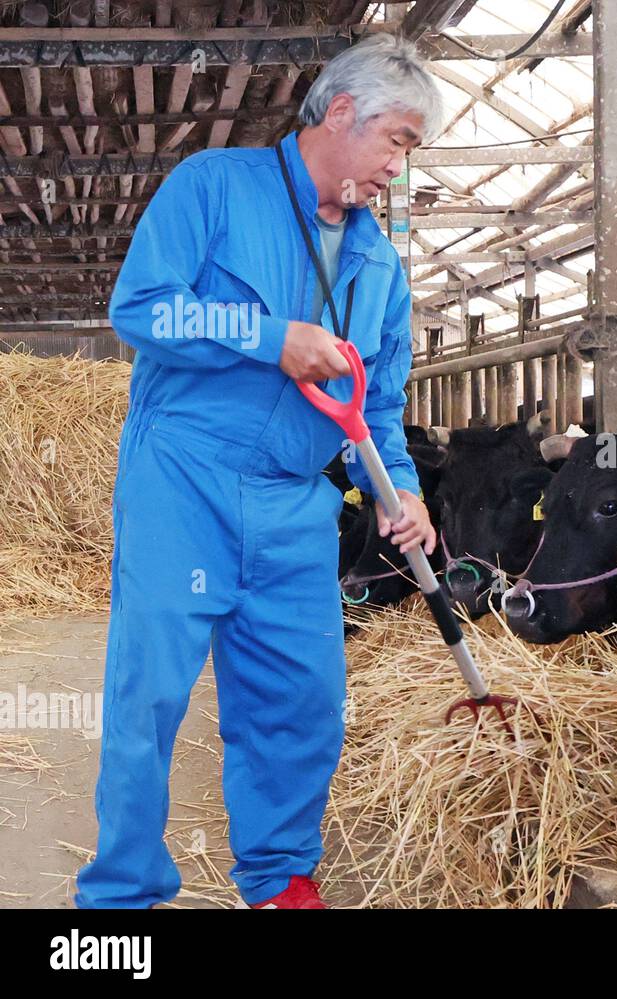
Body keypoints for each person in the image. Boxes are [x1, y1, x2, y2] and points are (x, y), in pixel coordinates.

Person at [74, 34, 440, 909]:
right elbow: (141, 306)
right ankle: (123, 894)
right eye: (397, 139)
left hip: (293, 500)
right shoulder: (213, 187)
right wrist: (271, 339)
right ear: (341, 111)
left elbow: (376, 406)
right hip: (184, 477)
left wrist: (402, 486)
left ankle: (279, 881)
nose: (400, 165)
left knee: (301, 699)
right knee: (151, 692)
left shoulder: (381, 268)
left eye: (411, 150)